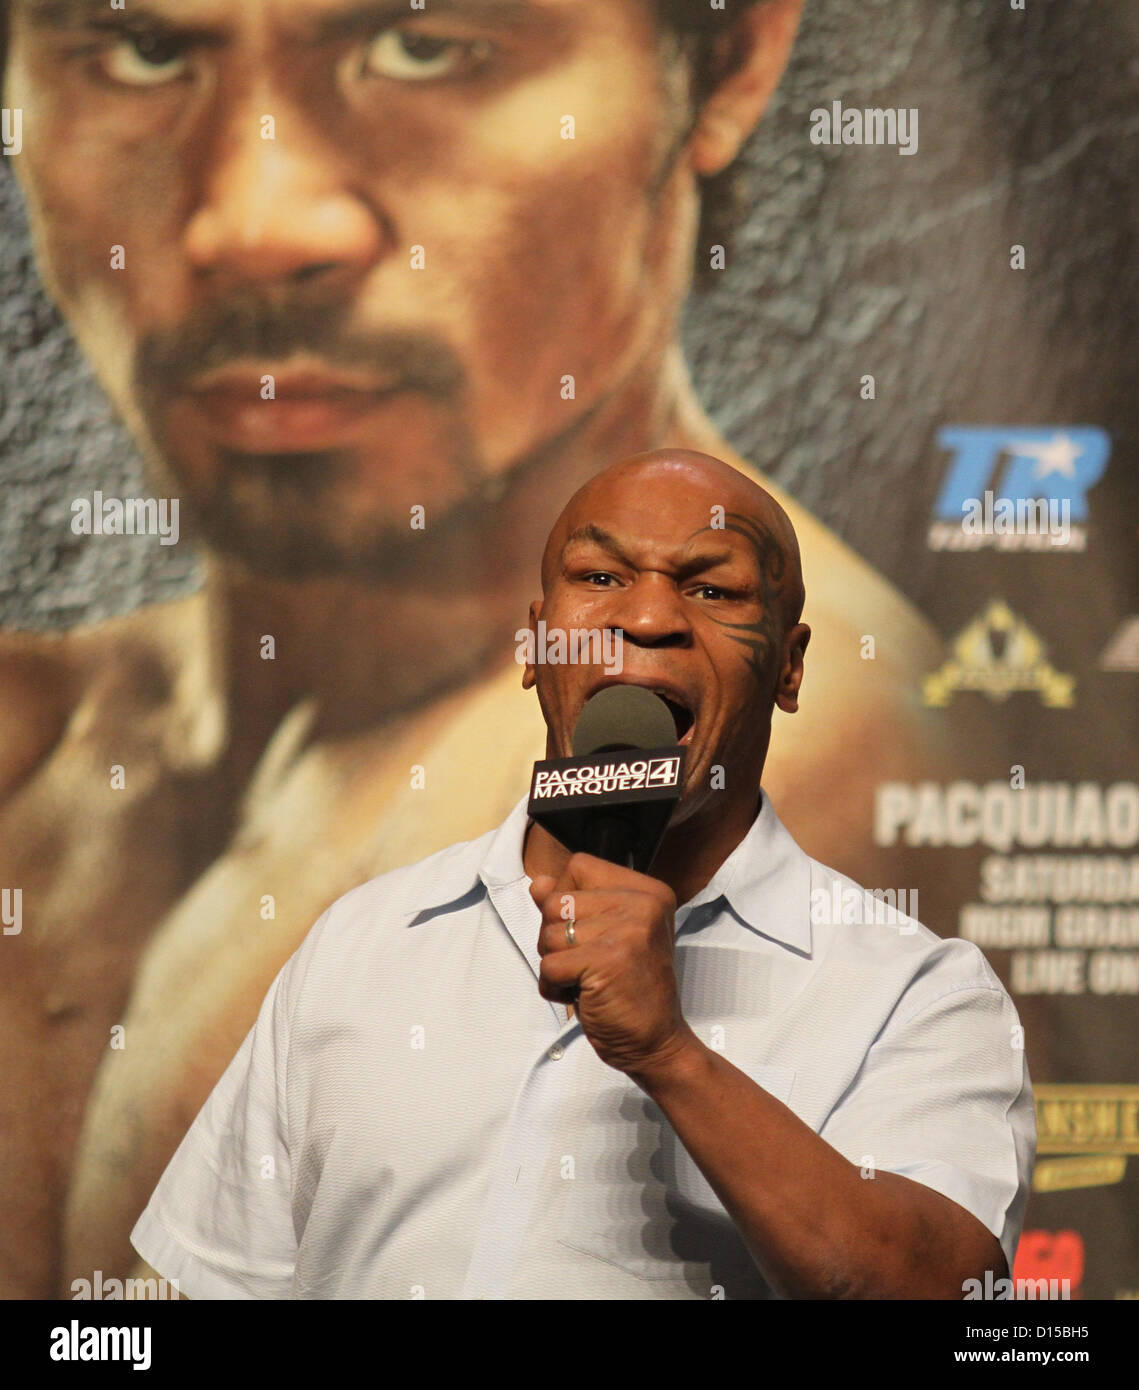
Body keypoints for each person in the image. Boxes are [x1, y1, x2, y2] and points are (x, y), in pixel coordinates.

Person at [0, 0, 961, 1296]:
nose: (256, 218)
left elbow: (951, 1292)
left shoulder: (848, 765)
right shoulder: (72, 747)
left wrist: (667, 1048)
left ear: (726, 61)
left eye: (423, 44)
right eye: (145, 50)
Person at [130, 453, 1034, 1299]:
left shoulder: (912, 992)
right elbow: (205, 1286)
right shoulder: (364, 941)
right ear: (535, 648)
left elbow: (946, 1296)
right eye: (599, 579)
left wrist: (668, 1054)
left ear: (788, 667)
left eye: (710, 588)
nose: (645, 620)